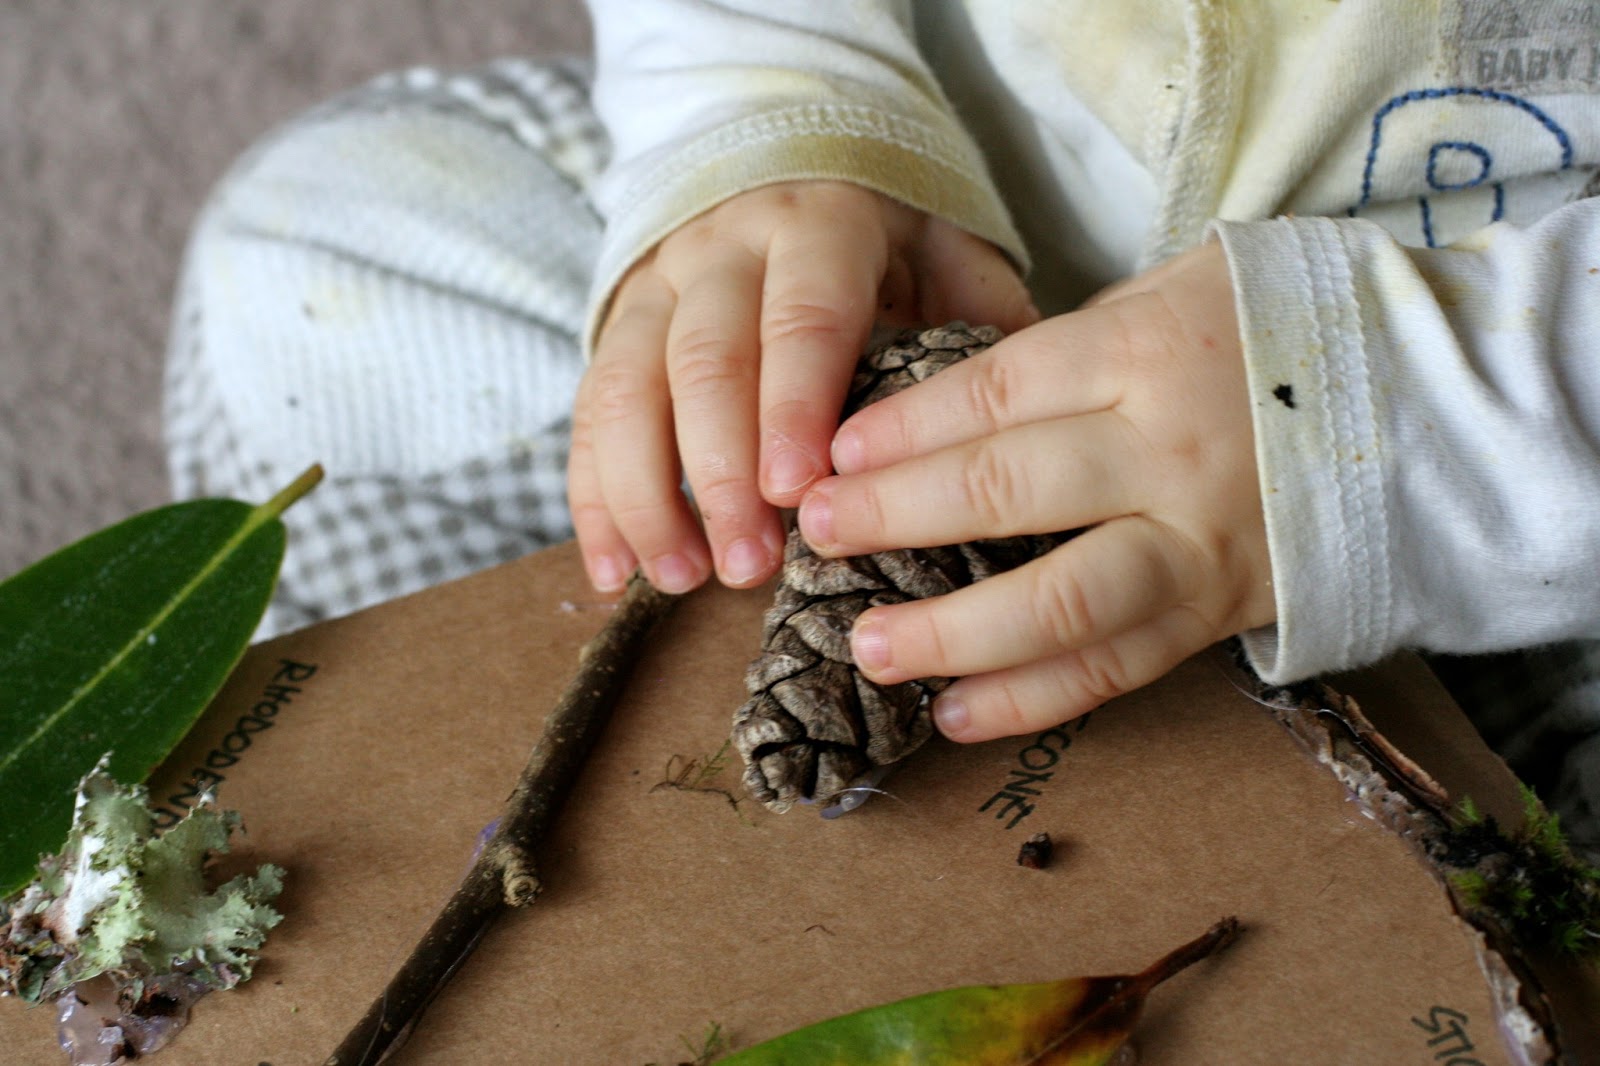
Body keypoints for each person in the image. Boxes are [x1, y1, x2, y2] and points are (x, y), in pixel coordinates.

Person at [166, 2, 1600, 852]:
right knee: (307, 265)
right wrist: (774, 113)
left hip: (1491, 529)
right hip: (939, 237)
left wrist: (1384, 402)